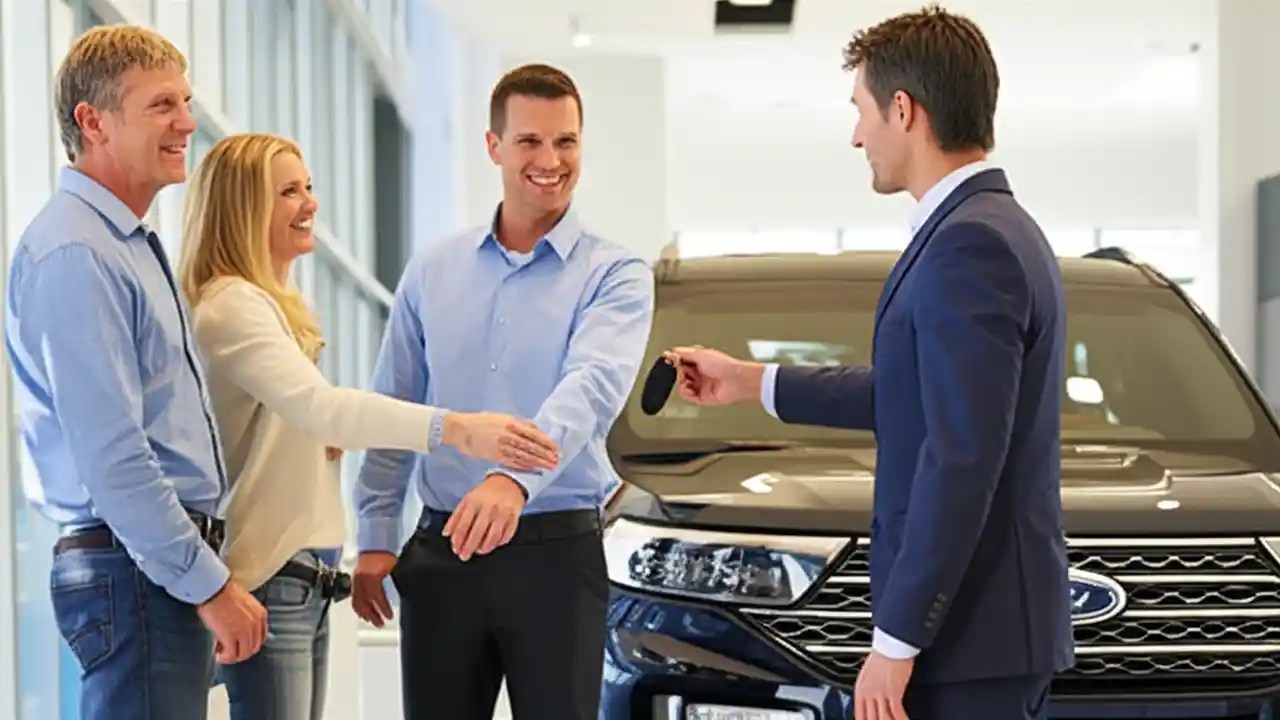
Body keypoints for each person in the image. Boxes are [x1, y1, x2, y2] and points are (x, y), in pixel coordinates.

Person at [666, 6, 1073, 720]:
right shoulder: (993, 229)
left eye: (861, 111)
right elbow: (915, 396)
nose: (856, 135)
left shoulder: (968, 245)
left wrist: (896, 640)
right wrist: (750, 381)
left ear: (904, 110)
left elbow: (961, 456)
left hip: (969, 641)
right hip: (990, 639)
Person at [175, 131, 562, 719]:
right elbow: (323, 406)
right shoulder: (230, 304)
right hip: (271, 578)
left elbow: (309, 417)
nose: (310, 204)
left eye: (308, 187)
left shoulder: (273, 307)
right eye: (287, 192)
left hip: (302, 579)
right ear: (243, 207)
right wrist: (458, 428)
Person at [352, 63, 655, 719]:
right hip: (443, 555)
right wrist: (376, 529)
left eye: (566, 141)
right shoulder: (434, 268)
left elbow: (592, 385)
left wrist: (511, 479)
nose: (550, 160)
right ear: (494, 147)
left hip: (556, 558)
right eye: (529, 142)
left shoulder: (617, 274)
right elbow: (394, 402)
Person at [3, 25, 268, 719]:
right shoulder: (78, 254)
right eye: (161, 106)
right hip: (136, 571)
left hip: (147, 569)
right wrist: (207, 585)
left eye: (184, 101)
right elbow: (114, 456)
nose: (186, 122)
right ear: (93, 122)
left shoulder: (122, 245)